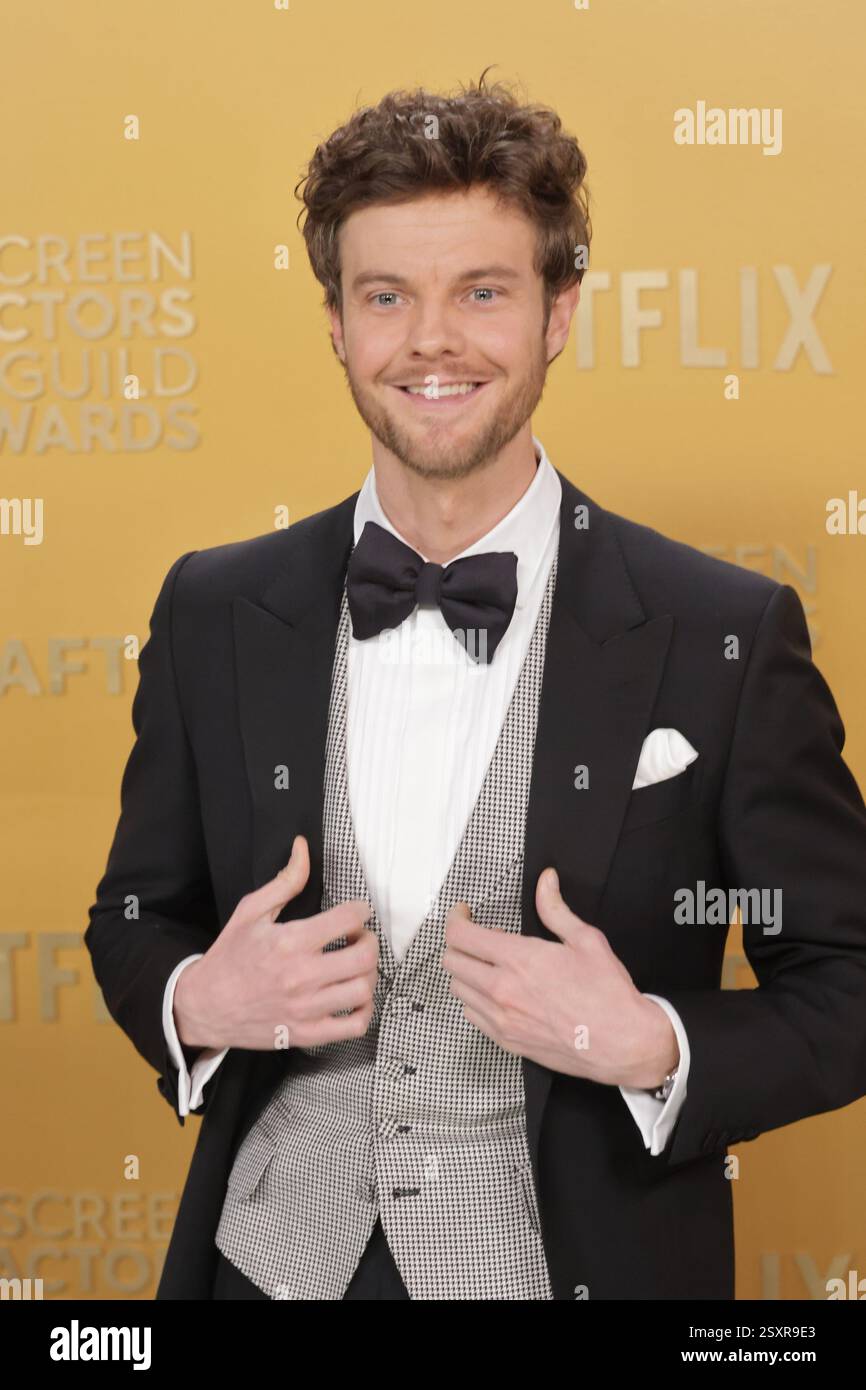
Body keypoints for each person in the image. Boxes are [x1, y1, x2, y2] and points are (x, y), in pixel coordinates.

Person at [86, 72, 866, 1301]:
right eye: (385, 295)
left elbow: (847, 977)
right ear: (336, 324)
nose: (431, 341)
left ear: (559, 312)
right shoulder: (210, 608)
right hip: (265, 1264)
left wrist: (649, 1042)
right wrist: (199, 996)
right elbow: (132, 917)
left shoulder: (723, 629)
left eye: (483, 292)